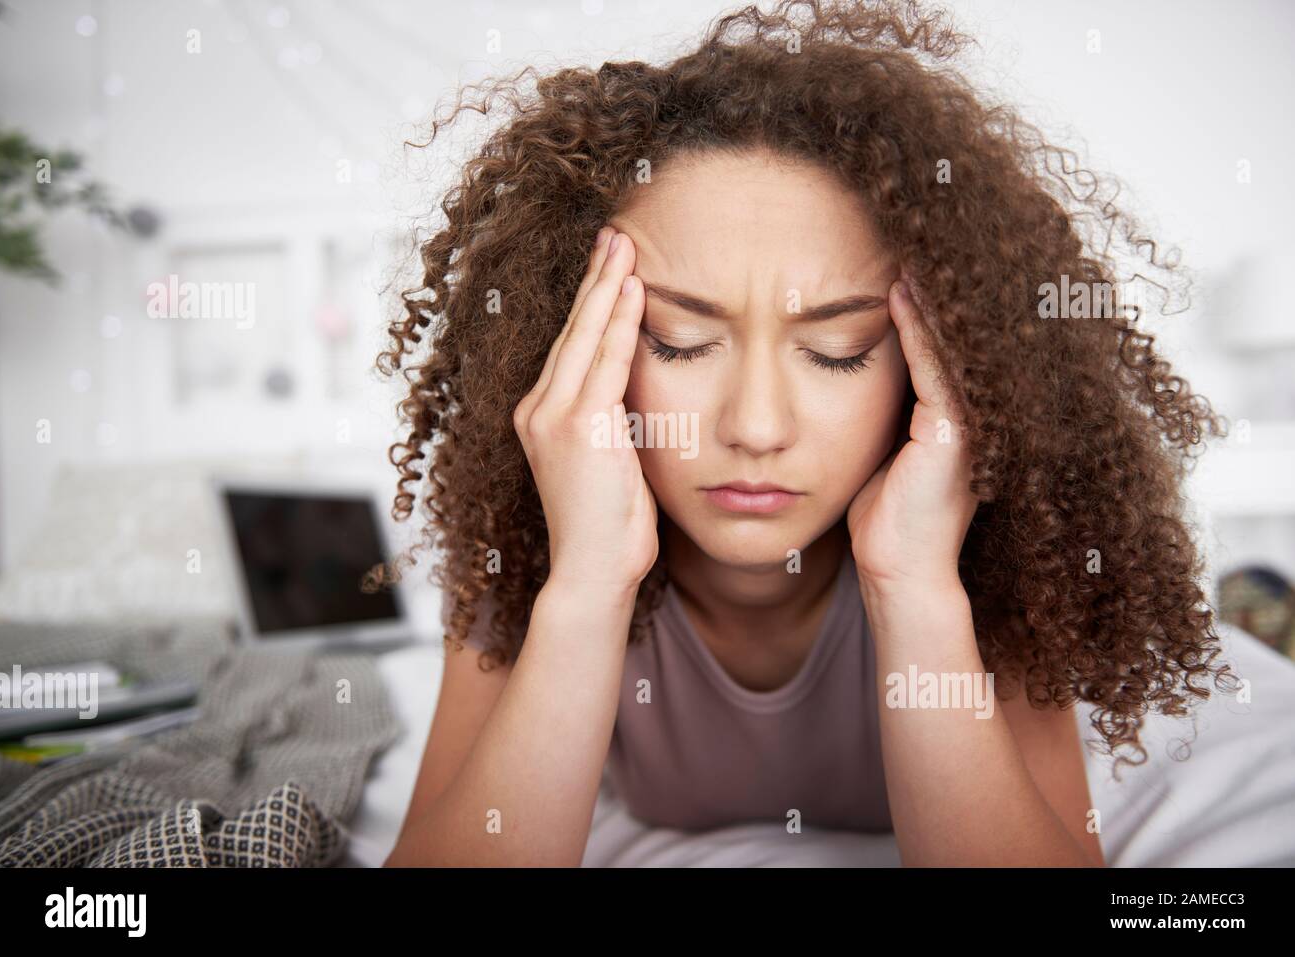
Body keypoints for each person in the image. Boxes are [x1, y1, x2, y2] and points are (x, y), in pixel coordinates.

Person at [377, 0, 1236, 867]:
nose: (755, 427)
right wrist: (587, 582)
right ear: (571, 341)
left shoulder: (1007, 568)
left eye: (838, 351)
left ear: (935, 363)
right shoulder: (521, 556)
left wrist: (916, 584)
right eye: (679, 339)